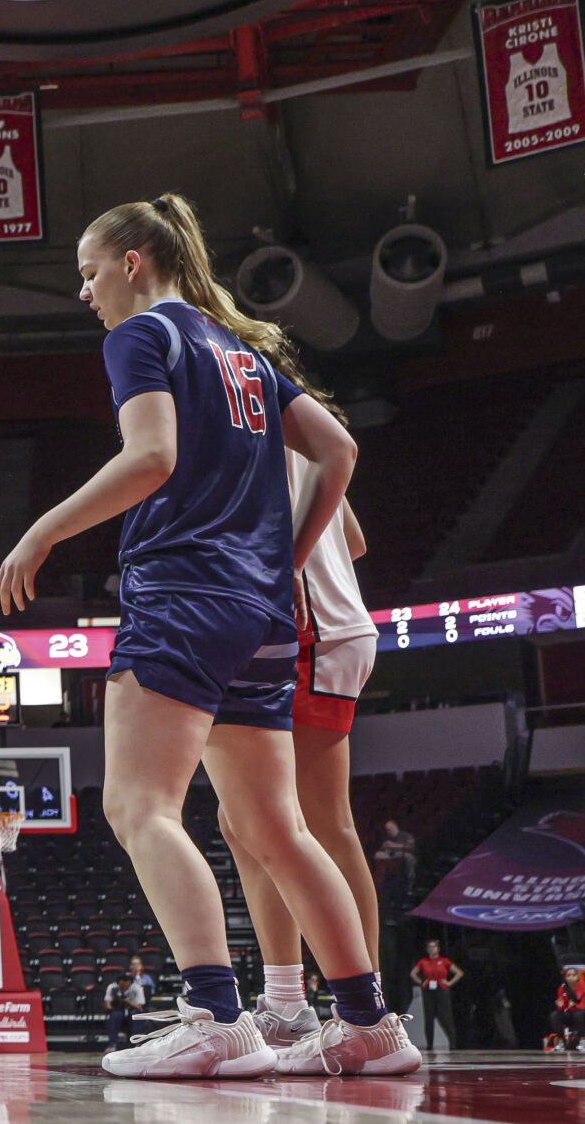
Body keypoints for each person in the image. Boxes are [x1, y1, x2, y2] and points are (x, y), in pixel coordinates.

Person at [0, 194, 416, 1080]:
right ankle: (372, 1024)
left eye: (90, 270)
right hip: (261, 612)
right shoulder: (245, 349)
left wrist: (41, 531)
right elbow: (338, 450)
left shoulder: (143, 335)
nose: (86, 291)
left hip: (182, 591)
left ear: (135, 262)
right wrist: (283, 558)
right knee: (275, 825)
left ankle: (216, 1015)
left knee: (138, 805)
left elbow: (151, 457)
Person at [218, 445, 384, 1059]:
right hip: (319, 626)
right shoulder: (291, 433)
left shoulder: (241, 427)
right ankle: (287, 1002)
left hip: (310, 628)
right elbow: (356, 539)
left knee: (320, 821)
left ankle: (365, 1012)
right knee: (243, 821)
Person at [411, 938, 463, 1051]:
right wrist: (421, 982)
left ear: (438, 948)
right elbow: (413, 973)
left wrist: (449, 983)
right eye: (429, 947)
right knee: (429, 1017)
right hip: (429, 989)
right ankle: (430, 1044)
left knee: (445, 1016)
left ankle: (452, 1043)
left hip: (442, 989)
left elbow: (459, 973)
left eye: (433, 947)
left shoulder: (444, 960)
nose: (431, 949)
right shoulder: (423, 961)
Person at [374, 820, 418, 906]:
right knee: (378, 855)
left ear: (395, 827)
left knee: (408, 859)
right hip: (391, 858)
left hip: (404, 856)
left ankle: (409, 886)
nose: (389, 831)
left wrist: (394, 846)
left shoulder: (405, 835)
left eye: (390, 829)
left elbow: (411, 846)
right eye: (387, 830)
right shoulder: (388, 839)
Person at [105, 970, 145, 1052]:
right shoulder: (112, 987)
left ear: (130, 982)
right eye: (122, 982)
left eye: (127, 982)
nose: (124, 984)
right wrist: (114, 1003)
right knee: (114, 1016)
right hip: (119, 1009)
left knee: (136, 1016)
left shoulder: (136, 987)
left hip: (133, 1009)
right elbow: (107, 1004)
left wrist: (126, 1001)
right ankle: (112, 1044)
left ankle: (137, 1043)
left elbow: (140, 1007)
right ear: (118, 982)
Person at [550, 966, 584, 1052]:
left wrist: (575, 1005)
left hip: (581, 1014)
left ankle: (579, 1041)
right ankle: (562, 1041)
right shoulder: (563, 988)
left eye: (573, 975)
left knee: (579, 1015)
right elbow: (563, 1007)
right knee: (554, 1015)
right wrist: (561, 1006)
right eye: (568, 975)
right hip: (569, 1014)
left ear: (578, 976)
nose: (571, 978)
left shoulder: (583, 988)